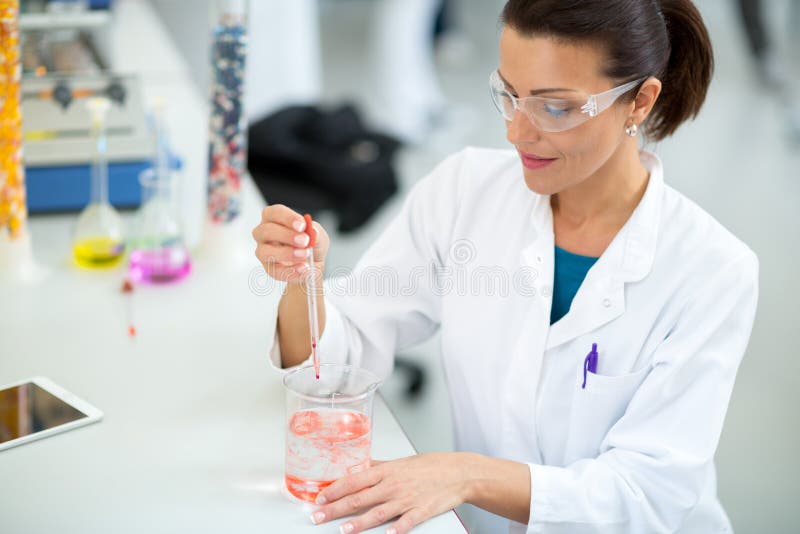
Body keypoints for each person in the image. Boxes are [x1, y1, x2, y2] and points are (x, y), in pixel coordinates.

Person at [252, 1, 759, 532]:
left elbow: (647, 494)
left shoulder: (712, 271)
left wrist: (469, 475)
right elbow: (337, 363)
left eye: (555, 108)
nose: (518, 132)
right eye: (509, 95)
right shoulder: (464, 191)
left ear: (639, 101)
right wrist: (304, 285)